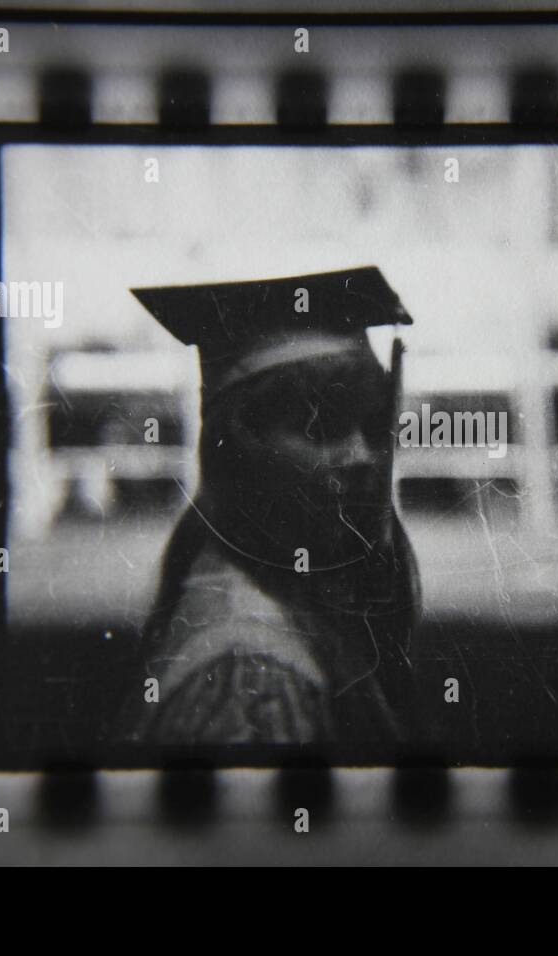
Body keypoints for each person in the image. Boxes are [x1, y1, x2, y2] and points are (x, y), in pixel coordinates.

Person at [120, 267, 422, 752]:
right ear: (238, 451)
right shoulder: (252, 680)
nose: (364, 455)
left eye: (373, 425)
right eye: (322, 430)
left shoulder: (256, 589)